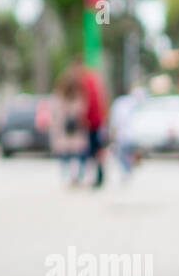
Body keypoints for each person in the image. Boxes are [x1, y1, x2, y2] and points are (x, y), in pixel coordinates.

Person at [72, 55, 108, 187]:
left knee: (90, 150)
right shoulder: (93, 79)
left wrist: (84, 118)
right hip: (96, 121)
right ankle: (94, 176)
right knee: (94, 150)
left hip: (92, 122)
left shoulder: (86, 81)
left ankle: (90, 176)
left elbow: (90, 103)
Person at [49, 69, 88, 186]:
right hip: (75, 130)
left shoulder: (60, 96)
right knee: (76, 156)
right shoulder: (78, 95)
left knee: (66, 156)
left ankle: (67, 176)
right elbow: (82, 110)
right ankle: (75, 176)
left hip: (66, 131)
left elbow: (56, 114)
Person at [109, 86, 146, 180]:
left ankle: (127, 170)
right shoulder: (124, 104)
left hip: (127, 135)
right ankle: (127, 169)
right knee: (124, 153)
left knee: (124, 153)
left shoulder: (121, 103)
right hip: (126, 134)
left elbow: (116, 121)